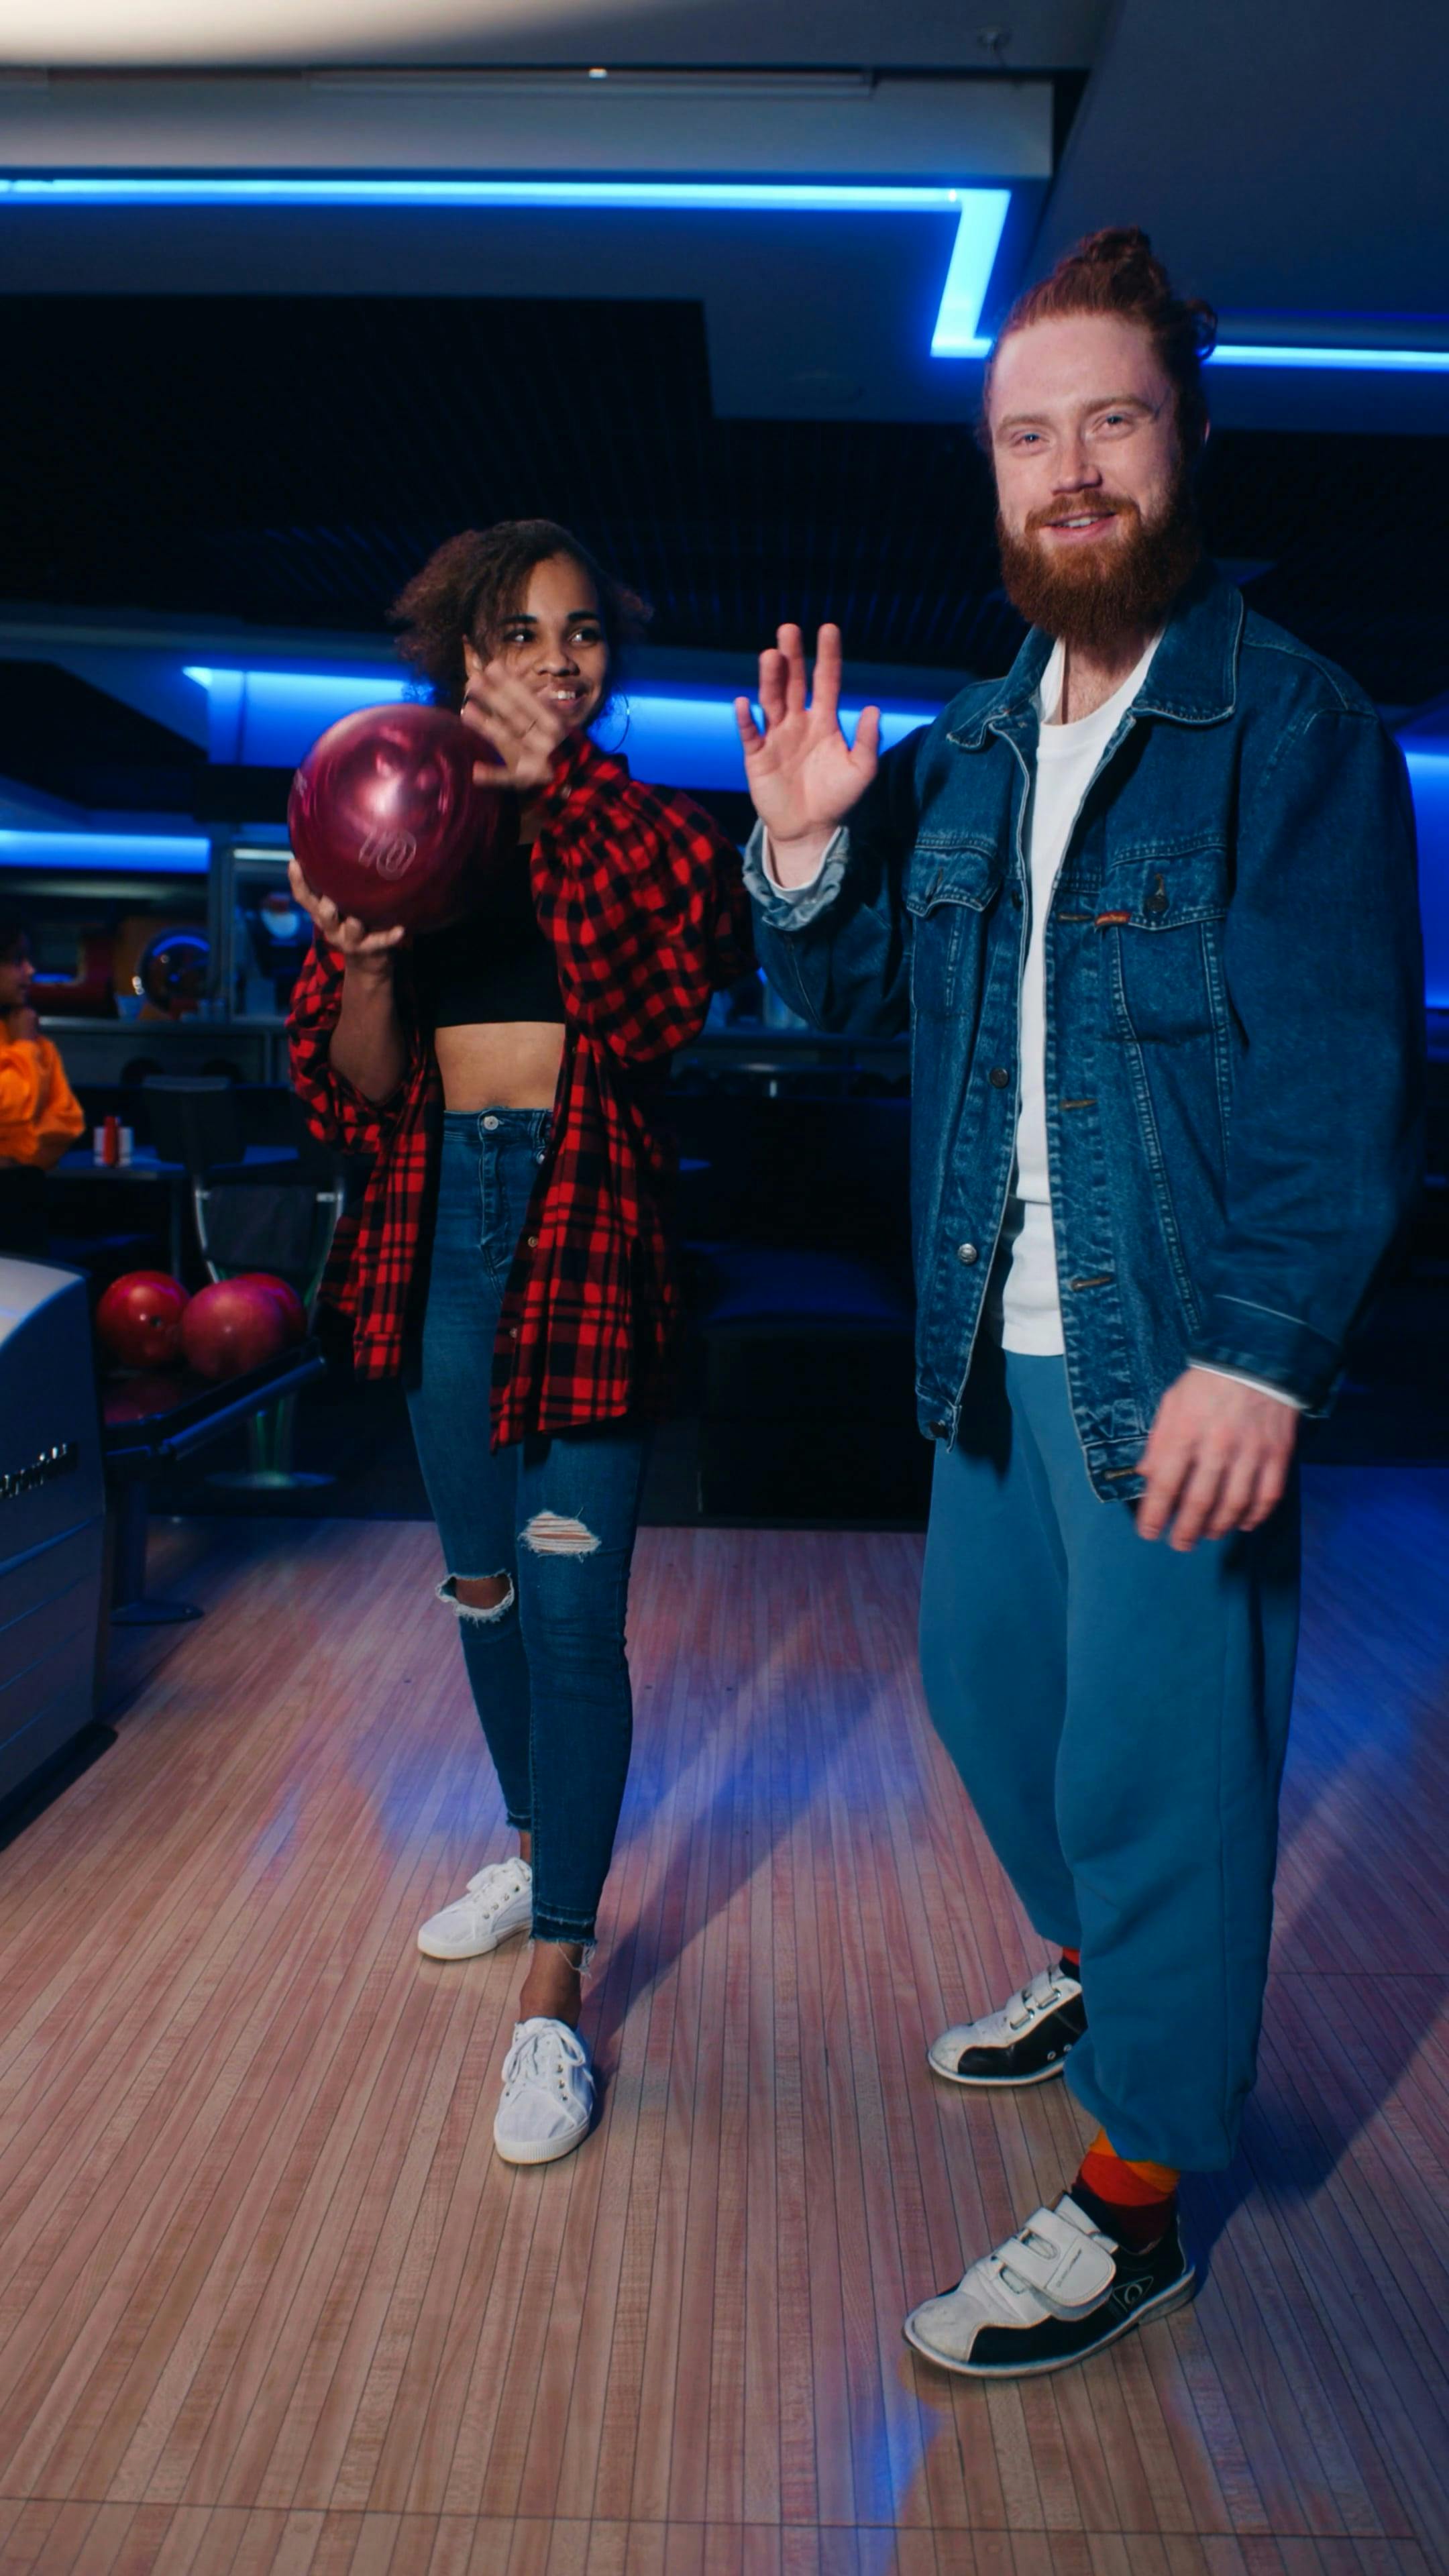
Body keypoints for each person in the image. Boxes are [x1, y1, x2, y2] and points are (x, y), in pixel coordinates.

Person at [740, 230, 1423, 2375]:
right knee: (985, 1696)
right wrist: (808, 856)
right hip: (987, 1341)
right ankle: (1103, 1966)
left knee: (1162, 1773)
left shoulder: (1289, 727)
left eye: (1111, 421)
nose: (1071, 472)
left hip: (1175, 1351)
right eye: (1027, 437)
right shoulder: (964, 746)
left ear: (1185, 438)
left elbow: (1340, 1082)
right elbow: (843, 1005)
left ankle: (1141, 2195)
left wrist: (1267, 1352)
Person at [289, 520, 751, 2167]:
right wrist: (360, 965)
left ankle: (556, 1979)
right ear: (462, 655)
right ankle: (536, 1839)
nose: (558, 659)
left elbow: (654, 1008)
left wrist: (562, 800)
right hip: (440, 1230)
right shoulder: (400, 811)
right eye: (520, 632)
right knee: (478, 1586)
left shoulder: (647, 828)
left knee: (570, 1616)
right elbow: (352, 1089)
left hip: (584, 1223)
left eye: (582, 632)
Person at [0, 914, 86, 1171]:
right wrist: (25, 1049)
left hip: (25, 1186)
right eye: (17, 960)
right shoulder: (30, 1043)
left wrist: (12, 1154)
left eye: (29, 959)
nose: (31, 971)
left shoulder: (38, 1043)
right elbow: (12, 1110)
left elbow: (68, 1125)